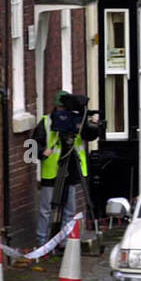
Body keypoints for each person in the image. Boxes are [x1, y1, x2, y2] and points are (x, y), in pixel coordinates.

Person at [32, 91, 100, 248]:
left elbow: (90, 136)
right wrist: (42, 152)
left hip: (72, 170)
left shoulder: (77, 121)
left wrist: (92, 124)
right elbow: (33, 144)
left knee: (70, 209)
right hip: (51, 171)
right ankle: (42, 243)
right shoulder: (46, 122)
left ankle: (64, 242)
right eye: (62, 108)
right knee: (46, 210)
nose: (64, 112)